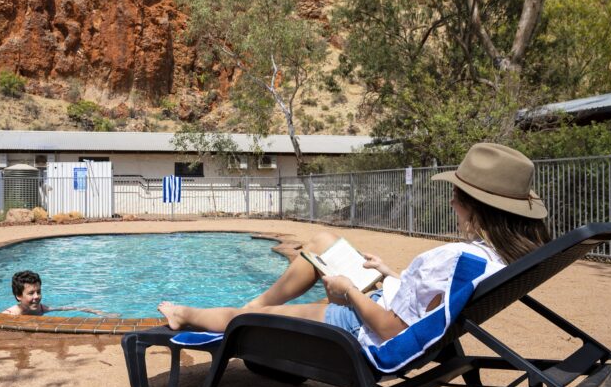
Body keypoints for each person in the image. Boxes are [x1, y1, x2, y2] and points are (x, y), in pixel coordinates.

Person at [159, 143, 551, 348]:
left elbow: (391, 330)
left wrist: (348, 294)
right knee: (323, 242)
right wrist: (389, 273)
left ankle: (191, 314)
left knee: (252, 321)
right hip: (385, 297)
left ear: (477, 207)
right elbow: (437, 303)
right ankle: (258, 305)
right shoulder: (497, 259)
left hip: (364, 319)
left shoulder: (458, 256)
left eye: (457, 195)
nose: (451, 202)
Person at [2, 270, 109, 317]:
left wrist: (95, 311)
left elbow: (66, 308)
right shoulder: (9, 315)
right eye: (31, 293)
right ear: (18, 296)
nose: (37, 297)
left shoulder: (41, 308)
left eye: (38, 292)